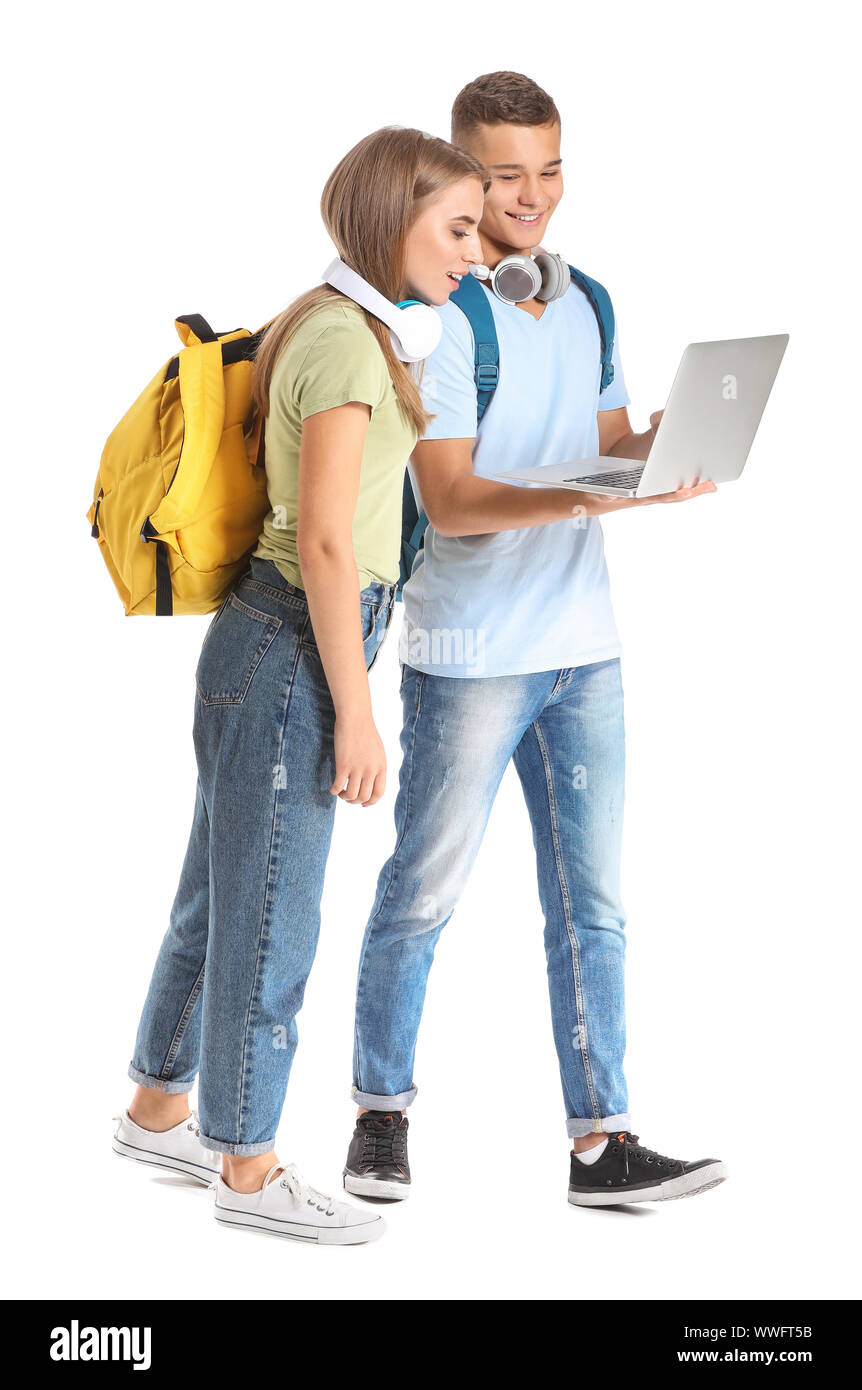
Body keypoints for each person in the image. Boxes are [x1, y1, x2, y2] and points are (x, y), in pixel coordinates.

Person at [344, 74, 728, 1208]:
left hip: (584, 647)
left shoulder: (588, 299)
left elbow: (604, 438)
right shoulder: (440, 315)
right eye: (504, 175)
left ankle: (602, 1145)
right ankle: (378, 1114)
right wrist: (589, 500)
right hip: (470, 653)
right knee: (422, 890)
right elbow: (452, 499)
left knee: (594, 904)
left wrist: (670, 445)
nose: (531, 196)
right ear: (460, 178)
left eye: (548, 169)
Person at [113, 126, 486, 1244]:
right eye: (456, 228)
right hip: (291, 650)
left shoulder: (350, 330)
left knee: (223, 890)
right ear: (391, 220)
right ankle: (248, 1162)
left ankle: (156, 1104)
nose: (475, 252)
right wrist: (356, 710)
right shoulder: (342, 343)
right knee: (272, 914)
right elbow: (323, 541)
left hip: (269, 649)